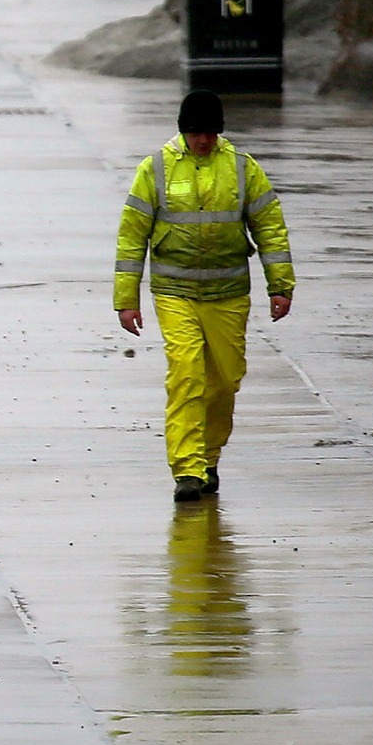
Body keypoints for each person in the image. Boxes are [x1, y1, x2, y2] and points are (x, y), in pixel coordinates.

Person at [114, 89, 295, 503]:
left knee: (224, 382)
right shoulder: (155, 169)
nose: (204, 140)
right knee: (187, 374)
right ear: (183, 131)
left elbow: (270, 227)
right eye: (196, 133)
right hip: (174, 292)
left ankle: (209, 457)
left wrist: (280, 285)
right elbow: (131, 238)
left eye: (211, 133)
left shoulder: (241, 169)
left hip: (228, 293)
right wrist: (126, 299)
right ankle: (188, 470)